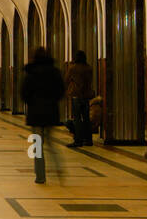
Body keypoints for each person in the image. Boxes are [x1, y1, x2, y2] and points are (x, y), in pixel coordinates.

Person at [20, 47, 66, 184]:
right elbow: (61, 91)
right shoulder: (55, 72)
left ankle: (40, 177)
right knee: (51, 144)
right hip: (51, 112)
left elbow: (24, 93)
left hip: (35, 114)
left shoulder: (31, 73)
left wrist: (32, 103)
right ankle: (59, 169)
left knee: (37, 146)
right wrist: (52, 102)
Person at [65, 49, 94, 147]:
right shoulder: (88, 68)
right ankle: (88, 139)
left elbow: (66, 80)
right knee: (86, 118)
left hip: (76, 96)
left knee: (77, 118)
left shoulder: (73, 68)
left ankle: (78, 140)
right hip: (86, 96)